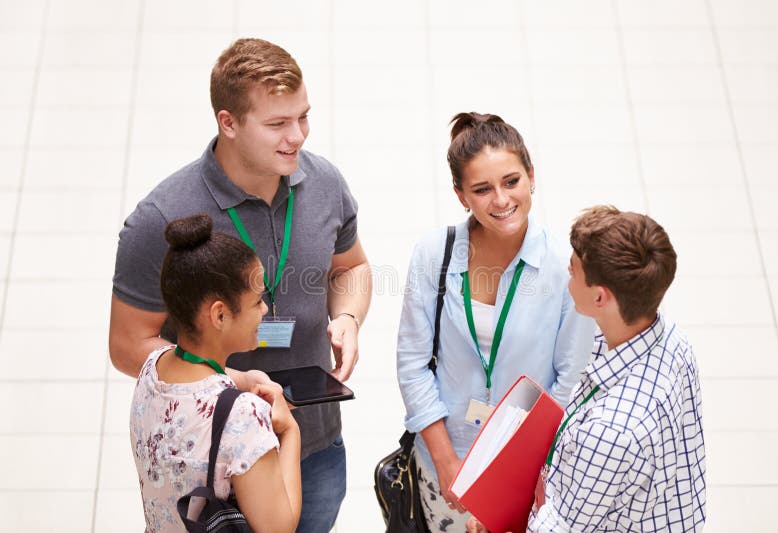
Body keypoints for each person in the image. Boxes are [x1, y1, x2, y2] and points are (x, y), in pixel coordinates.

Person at [111, 38, 371, 532]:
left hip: (314, 441)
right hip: (213, 467)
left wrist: (347, 318)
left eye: (303, 117)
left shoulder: (323, 184)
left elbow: (352, 268)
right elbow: (128, 346)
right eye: (277, 124)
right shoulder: (161, 218)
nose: (297, 137)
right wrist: (234, 387)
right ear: (227, 123)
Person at [396, 112, 596, 532]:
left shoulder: (564, 266)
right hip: (444, 462)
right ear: (460, 195)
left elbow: (569, 380)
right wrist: (448, 462)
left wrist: (515, 474)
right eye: (482, 189)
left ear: (531, 176)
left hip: (526, 469)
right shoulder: (434, 254)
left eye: (511, 182)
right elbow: (413, 363)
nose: (501, 201)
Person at [467, 206, 706, 532]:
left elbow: (561, 527)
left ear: (600, 298)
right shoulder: (675, 342)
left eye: (574, 268)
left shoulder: (609, 431)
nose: (566, 272)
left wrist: (498, 518)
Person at [130, 214, 301, 533]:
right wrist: (290, 432)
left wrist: (244, 379)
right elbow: (279, 528)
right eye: (256, 302)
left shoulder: (152, 368)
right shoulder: (245, 416)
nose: (264, 310)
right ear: (220, 314)